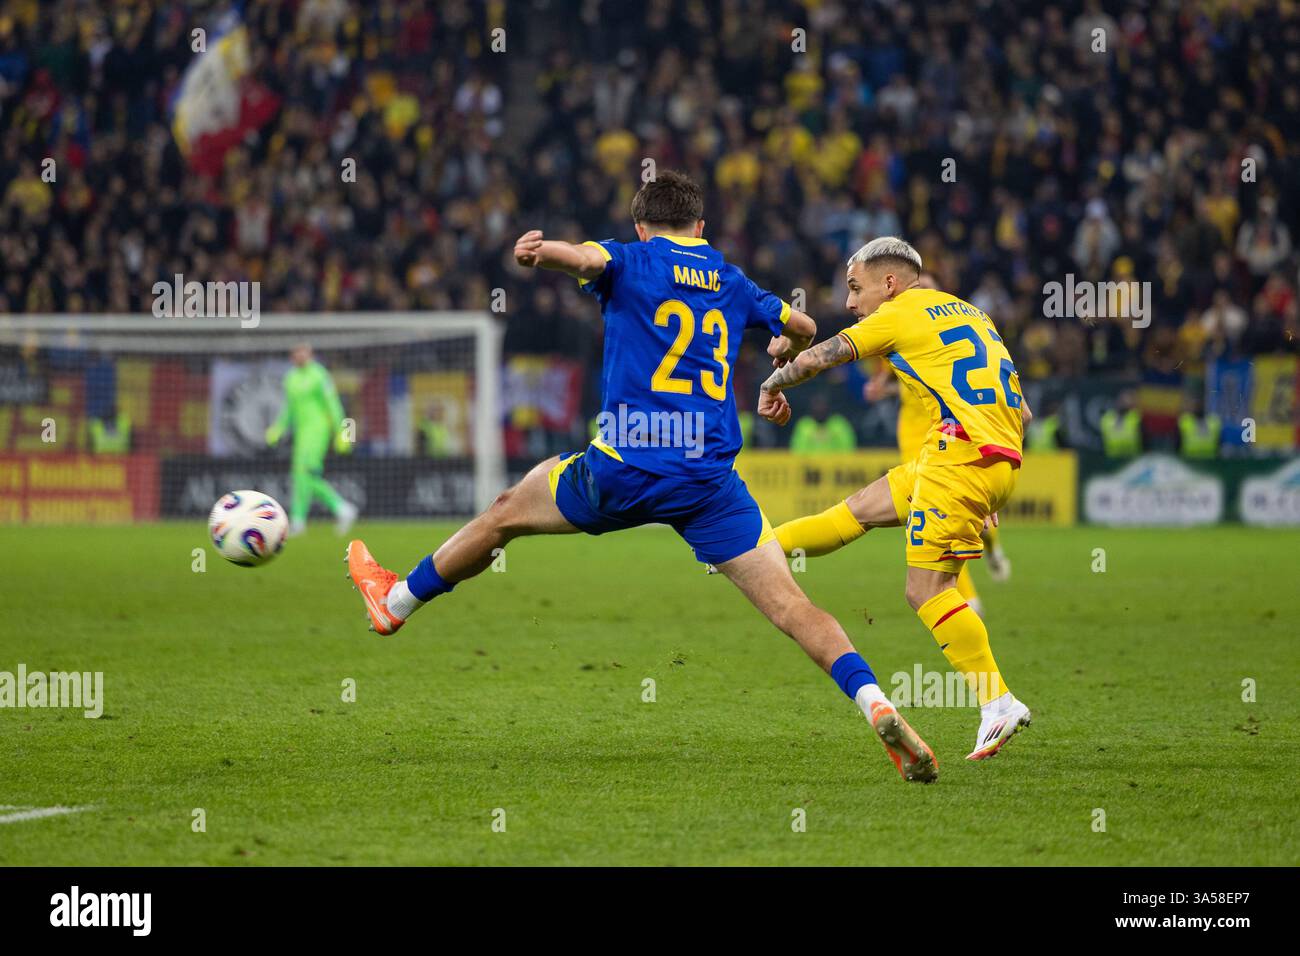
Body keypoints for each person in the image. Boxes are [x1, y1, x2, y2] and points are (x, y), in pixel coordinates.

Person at [345, 172, 938, 783]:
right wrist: (779, 359)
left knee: (503, 514)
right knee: (793, 607)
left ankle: (394, 602)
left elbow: (585, 258)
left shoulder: (629, 258)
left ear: (640, 225)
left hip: (625, 466)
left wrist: (542, 253)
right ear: (701, 228)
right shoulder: (731, 280)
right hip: (709, 480)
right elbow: (806, 328)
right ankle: (877, 704)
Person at [758, 237, 1032, 761]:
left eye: (856, 288)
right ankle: (756, 551)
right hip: (979, 457)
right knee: (858, 509)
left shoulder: (899, 311)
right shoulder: (972, 314)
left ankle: (998, 702)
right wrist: (990, 476)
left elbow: (819, 356)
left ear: (890, 283)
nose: (850, 304)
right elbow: (1022, 414)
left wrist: (772, 385)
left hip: (958, 460)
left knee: (925, 591)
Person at [863, 270, 1012, 613]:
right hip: (914, 434)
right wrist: (880, 389)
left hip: (952, 432)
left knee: (968, 517)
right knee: (935, 516)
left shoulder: (943, 336)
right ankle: (967, 597)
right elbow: (895, 380)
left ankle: (991, 552)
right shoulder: (904, 330)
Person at [265, 343, 359, 536]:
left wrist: (342, 432)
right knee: (300, 476)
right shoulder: (290, 378)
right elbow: (289, 409)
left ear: (310, 354)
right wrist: (278, 428)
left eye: (303, 351)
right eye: (296, 352)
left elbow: (333, 404)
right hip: (301, 433)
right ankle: (300, 520)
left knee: (306, 472)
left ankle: (340, 508)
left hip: (318, 430)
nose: (299, 355)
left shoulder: (319, 375)